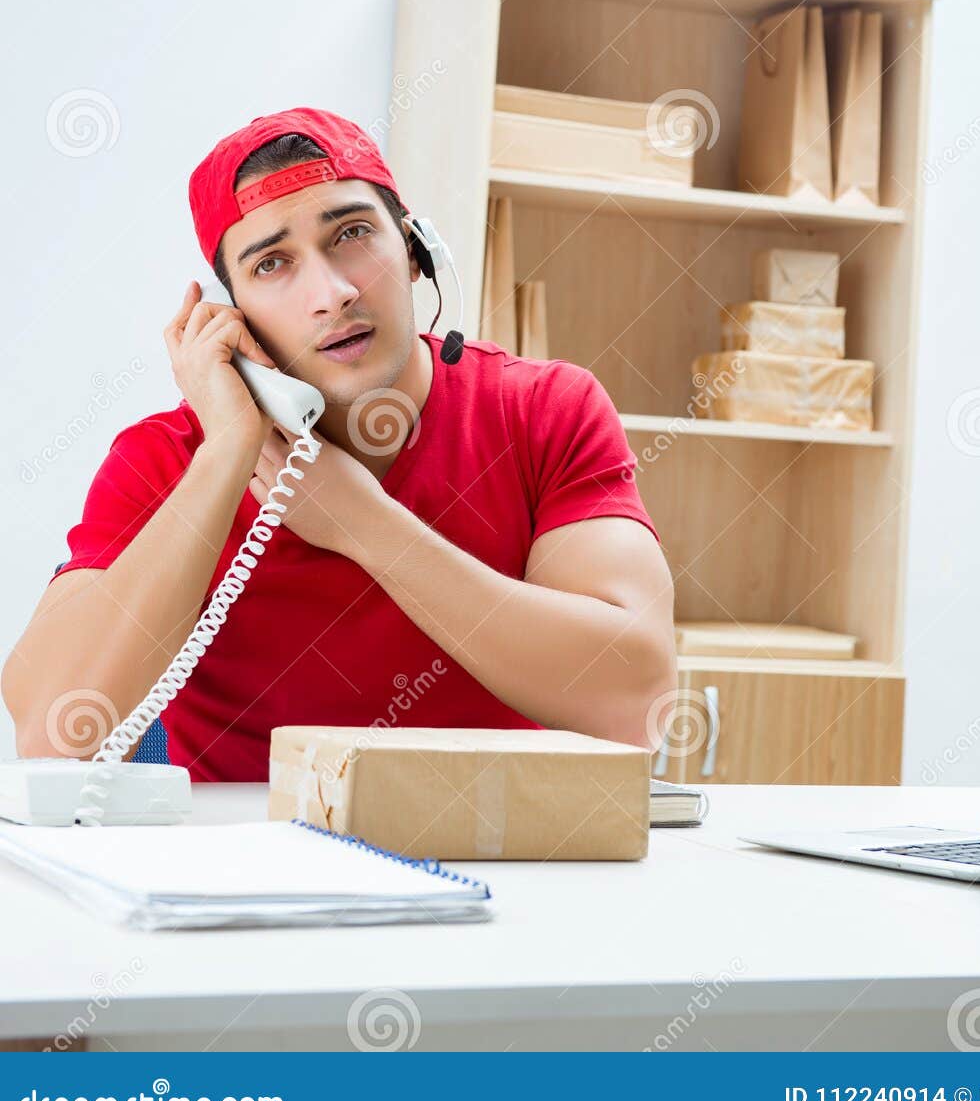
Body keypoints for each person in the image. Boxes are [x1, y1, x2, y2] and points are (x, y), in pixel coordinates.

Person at [3, 107, 676, 781]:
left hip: (497, 856)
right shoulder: (169, 457)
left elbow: (633, 703)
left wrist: (359, 521)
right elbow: (52, 738)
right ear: (231, 313)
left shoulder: (545, 411)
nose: (332, 294)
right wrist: (226, 453)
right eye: (272, 264)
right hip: (248, 865)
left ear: (417, 251)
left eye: (352, 233)